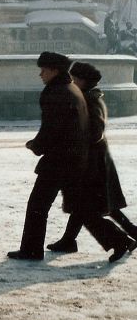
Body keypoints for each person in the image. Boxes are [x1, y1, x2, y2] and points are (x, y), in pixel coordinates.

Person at [9, 52, 134, 262]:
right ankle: (119, 240)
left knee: (38, 205)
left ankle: (32, 250)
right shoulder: (71, 90)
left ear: (54, 70)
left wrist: (37, 145)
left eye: (43, 70)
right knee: (81, 208)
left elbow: (52, 128)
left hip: (58, 160)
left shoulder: (56, 92)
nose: (40, 74)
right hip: (75, 160)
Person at [48, 62, 137, 256]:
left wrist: (73, 138)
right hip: (91, 161)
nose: (71, 82)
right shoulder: (86, 98)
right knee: (98, 203)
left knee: (85, 205)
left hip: (91, 163)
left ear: (82, 81)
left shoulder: (89, 101)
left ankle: (120, 240)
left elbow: (96, 131)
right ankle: (69, 241)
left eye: (74, 78)